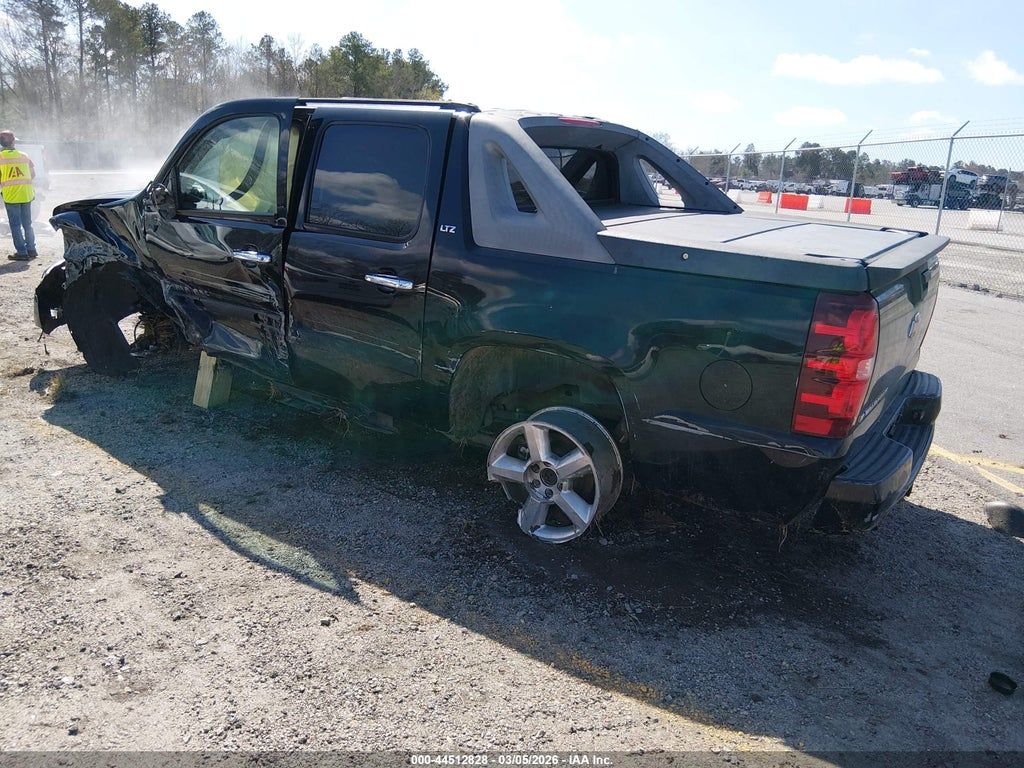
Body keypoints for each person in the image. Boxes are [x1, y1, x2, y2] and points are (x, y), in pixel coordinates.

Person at [0, 129, 37, 261]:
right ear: (14, 141)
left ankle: (22, 252)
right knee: (28, 224)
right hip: (26, 194)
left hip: (11, 196)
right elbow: (33, 174)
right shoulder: (24, 156)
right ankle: (31, 249)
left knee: (15, 225)